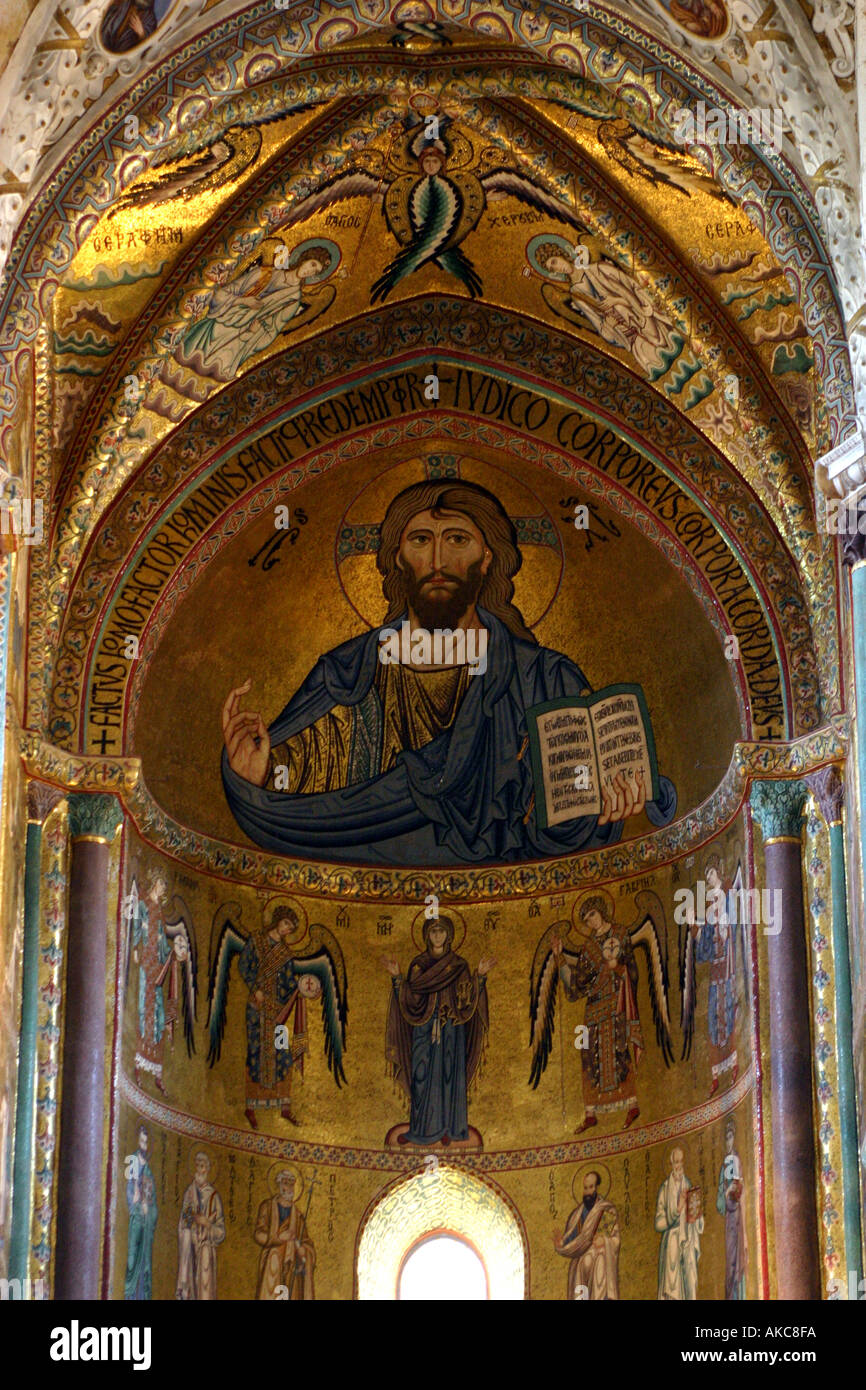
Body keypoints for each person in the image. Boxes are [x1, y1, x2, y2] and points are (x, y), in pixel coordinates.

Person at [222, 479, 676, 864]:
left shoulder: (542, 679)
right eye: (420, 540)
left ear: (488, 557)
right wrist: (259, 775)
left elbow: (553, 831)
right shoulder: (351, 672)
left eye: (458, 539)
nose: (438, 559)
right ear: (398, 557)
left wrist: (610, 806)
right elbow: (312, 788)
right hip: (371, 886)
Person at [383, 915, 493, 1145]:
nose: (437, 936)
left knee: (449, 1076)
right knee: (421, 1075)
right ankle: (422, 1130)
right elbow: (410, 998)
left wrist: (480, 976)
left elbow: (467, 999)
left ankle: (449, 1129)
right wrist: (397, 979)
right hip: (423, 1029)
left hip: (451, 1029)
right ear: (426, 936)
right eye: (433, 932)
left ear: (449, 935)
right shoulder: (418, 965)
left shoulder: (459, 965)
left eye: (441, 931)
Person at [553, 898, 645, 1133]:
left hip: (617, 1005)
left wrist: (619, 968)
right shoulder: (588, 949)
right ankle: (591, 1113)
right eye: (585, 920)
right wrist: (559, 958)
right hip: (594, 1010)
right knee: (589, 1058)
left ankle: (632, 1105)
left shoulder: (621, 933)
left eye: (592, 915)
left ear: (602, 912)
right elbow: (576, 988)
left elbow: (633, 971)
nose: (590, 922)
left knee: (621, 1054)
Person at [177, 241, 332, 380]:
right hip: (219, 324)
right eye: (312, 265)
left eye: (315, 272)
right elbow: (220, 295)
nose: (310, 272)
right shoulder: (265, 273)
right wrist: (243, 300)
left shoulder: (293, 299)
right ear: (304, 259)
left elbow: (273, 328)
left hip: (241, 340)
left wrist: (252, 332)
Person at [235, 905, 320, 1129]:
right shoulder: (256, 941)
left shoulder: (285, 954)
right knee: (255, 1053)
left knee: (282, 1054)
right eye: (285, 925)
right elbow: (243, 965)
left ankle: (284, 1107)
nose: (286, 931)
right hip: (256, 1010)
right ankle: (250, 1107)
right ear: (276, 921)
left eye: (290, 929)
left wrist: (303, 988)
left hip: (278, 1015)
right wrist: (256, 989)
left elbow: (289, 981)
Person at [690, 854, 738, 1095]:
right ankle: (716, 1074)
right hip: (717, 967)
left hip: (729, 964)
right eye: (706, 874)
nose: (708, 877)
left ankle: (736, 1064)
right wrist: (695, 928)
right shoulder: (710, 910)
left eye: (710, 872)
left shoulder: (729, 895)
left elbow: (734, 928)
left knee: (729, 1010)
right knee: (713, 1016)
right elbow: (706, 948)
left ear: (718, 872)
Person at [554, 1170, 621, 1299]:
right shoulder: (578, 1214)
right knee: (583, 1263)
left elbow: (615, 1239)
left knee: (600, 1263)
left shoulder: (606, 1209)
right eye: (585, 1188)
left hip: (601, 1254)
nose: (588, 1192)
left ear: (596, 1188)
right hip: (583, 1255)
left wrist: (605, 1241)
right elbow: (573, 1236)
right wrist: (562, 1243)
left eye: (591, 1187)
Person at [253, 1170, 315, 1300]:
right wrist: (278, 1238)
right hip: (272, 1261)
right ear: (279, 1185)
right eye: (286, 1182)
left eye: (292, 1183)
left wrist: (303, 1250)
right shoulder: (268, 1207)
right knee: (274, 1255)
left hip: (291, 1264)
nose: (289, 1187)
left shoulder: (297, 1215)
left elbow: (306, 1241)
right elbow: (258, 1234)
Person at [655, 1147, 703, 1299]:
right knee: (673, 1289)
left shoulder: (687, 1184)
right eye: (676, 1162)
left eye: (681, 1161)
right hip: (672, 1243)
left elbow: (694, 1217)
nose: (679, 1165)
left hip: (688, 1240)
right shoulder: (665, 1189)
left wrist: (696, 1213)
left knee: (690, 1284)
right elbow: (659, 1224)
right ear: (671, 1164)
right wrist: (678, 1209)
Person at [176, 1151, 225, 1300]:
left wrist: (208, 1224)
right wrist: (192, 1221)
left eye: (202, 1166)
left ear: (207, 1169)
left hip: (205, 1251)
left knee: (204, 1291)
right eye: (197, 1166)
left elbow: (221, 1232)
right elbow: (184, 1221)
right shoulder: (189, 1193)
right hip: (190, 1247)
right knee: (190, 1289)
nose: (199, 1170)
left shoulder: (214, 1197)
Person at [124, 1125, 158, 1300]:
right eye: (141, 1141)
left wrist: (149, 1210)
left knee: (144, 1264)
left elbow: (154, 1203)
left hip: (145, 1224)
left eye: (146, 1142)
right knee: (131, 1262)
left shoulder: (149, 1170)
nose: (144, 1146)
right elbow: (129, 1191)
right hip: (136, 1222)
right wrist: (136, 1201)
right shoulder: (132, 1162)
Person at [717, 1120, 747, 1299]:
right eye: (726, 1137)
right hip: (729, 1219)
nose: (729, 1141)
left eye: (731, 1136)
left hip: (738, 1216)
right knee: (730, 1263)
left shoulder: (736, 1160)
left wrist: (735, 1191)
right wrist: (726, 1193)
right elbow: (720, 1201)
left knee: (738, 1262)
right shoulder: (724, 1166)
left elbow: (741, 1187)